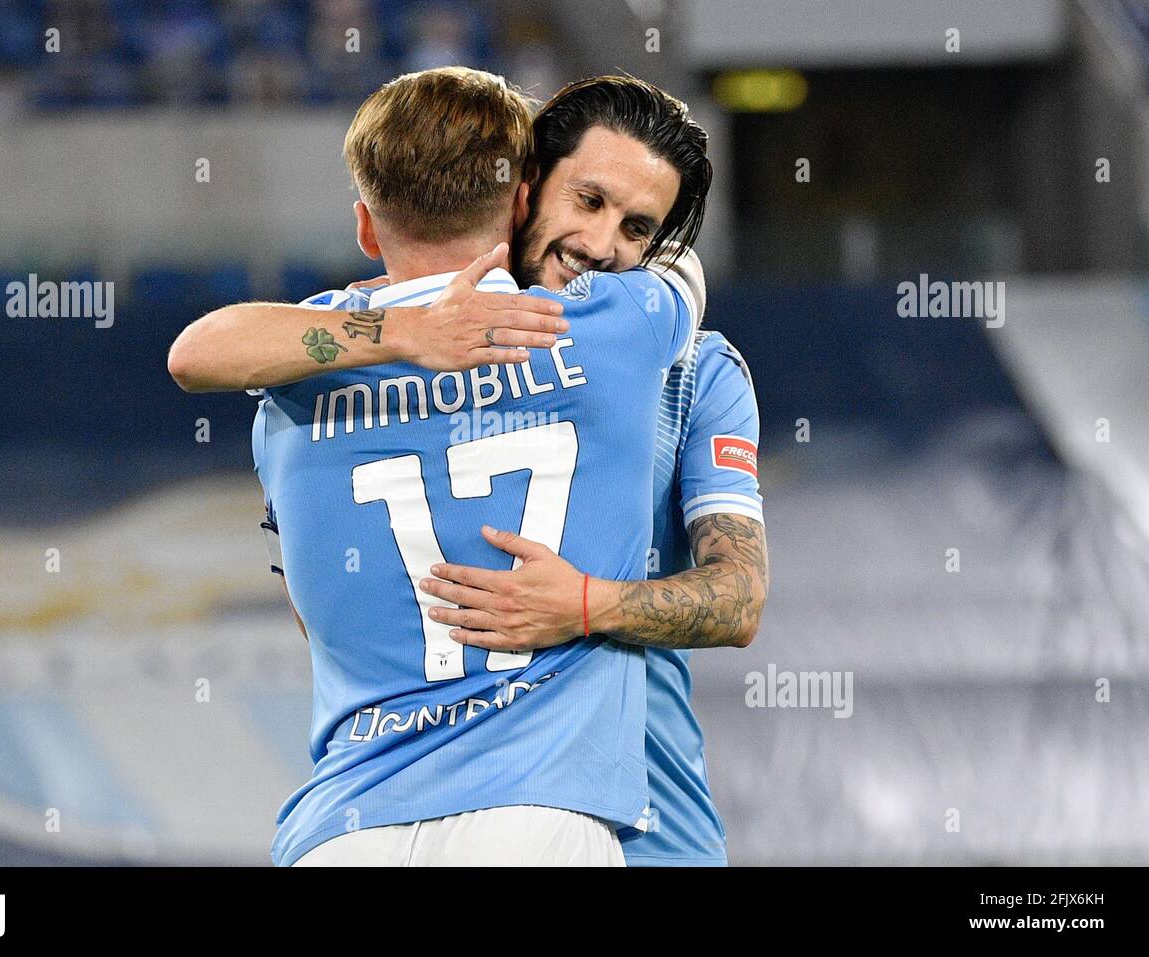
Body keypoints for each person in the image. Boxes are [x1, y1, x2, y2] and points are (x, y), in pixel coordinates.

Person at [170, 73, 767, 866]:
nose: (602, 244)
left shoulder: (698, 369)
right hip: (549, 807)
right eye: (587, 202)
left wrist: (589, 604)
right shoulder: (632, 330)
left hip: (607, 826)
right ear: (527, 191)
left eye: (639, 227)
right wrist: (411, 328)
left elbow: (740, 598)